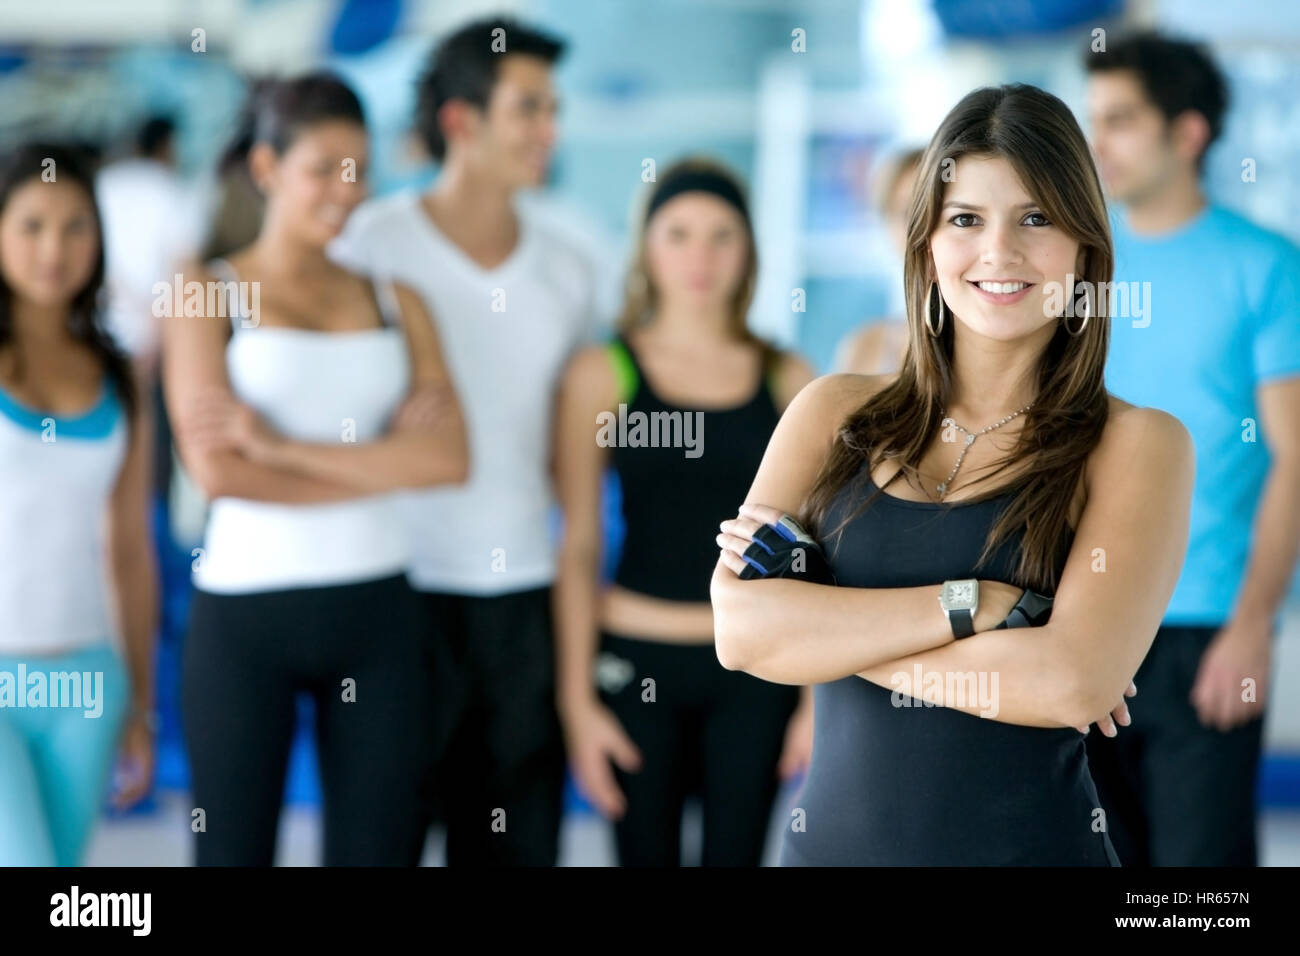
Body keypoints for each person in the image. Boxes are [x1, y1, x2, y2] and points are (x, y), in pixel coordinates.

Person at [712, 83, 1195, 866]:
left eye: (1036, 218)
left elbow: (1071, 684)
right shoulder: (831, 412)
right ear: (927, 245)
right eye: (966, 219)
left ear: (1085, 248)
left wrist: (822, 636)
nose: (998, 252)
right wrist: (972, 606)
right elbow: (740, 634)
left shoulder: (1138, 444)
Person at [163, 72, 469, 866]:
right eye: (323, 168)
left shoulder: (398, 299)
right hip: (244, 620)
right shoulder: (203, 289)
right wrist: (385, 462)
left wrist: (280, 446)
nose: (346, 190)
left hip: (379, 616)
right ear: (266, 168)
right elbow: (219, 473)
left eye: (358, 169)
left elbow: (449, 458)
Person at [329, 16, 600, 866]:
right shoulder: (368, 246)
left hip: (521, 601)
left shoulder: (569, 268)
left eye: (553, 109)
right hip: (393, 594)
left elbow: (571, 450)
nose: (549, 130)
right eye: (529, 108)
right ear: (461, 121)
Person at [554, 158, 816, 866]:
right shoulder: (602, 374)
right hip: (635, 659)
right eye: (678, 234)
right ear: (646, 247)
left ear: (749, 249)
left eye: (721, 235)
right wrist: (577, 705)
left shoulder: (789, 378)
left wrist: (813, 702)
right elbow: (578, 545)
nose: (701, 256)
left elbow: (817, 552)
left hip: (756, 672)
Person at [1083, 31, 1300, 866]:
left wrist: (1252, 628)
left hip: (1208, 627)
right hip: (1083, 617)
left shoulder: (1266, 267)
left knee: (1198, 896)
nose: (1098, 143)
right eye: (1094, 120)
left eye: (1121, 120)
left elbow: (1293, 458)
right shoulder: (1078, 264)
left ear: (1189, 133)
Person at [0, 143, 157, 864]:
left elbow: (129, 550)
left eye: (75, 227)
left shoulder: (120, 377)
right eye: (31, 226)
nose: (53, 250)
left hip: (89, 683)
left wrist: (141, 707)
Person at [833, 147, 923, 375]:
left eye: (941, 212)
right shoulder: (865, 349)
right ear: (888, 227)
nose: (925, 229)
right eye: (909, 214)